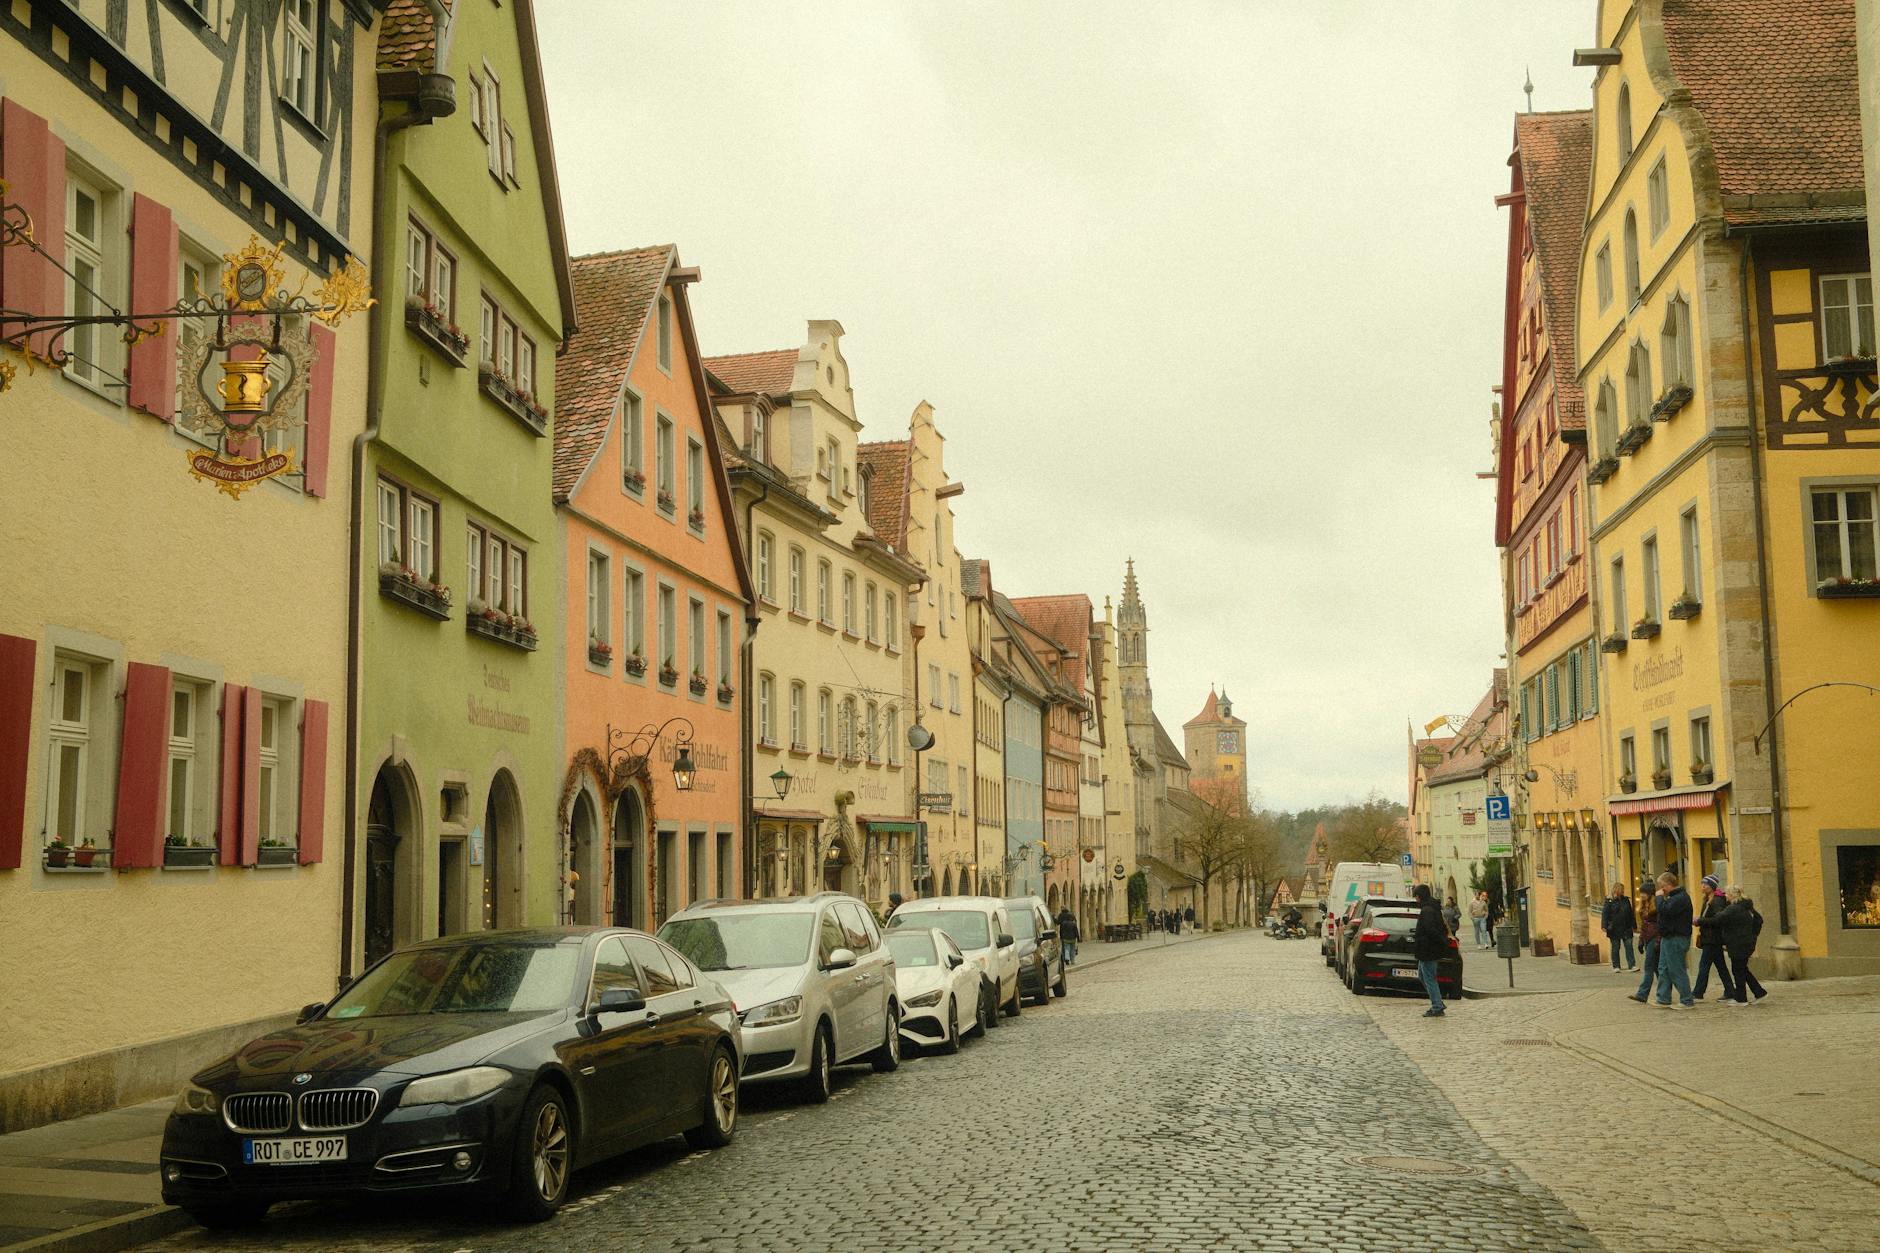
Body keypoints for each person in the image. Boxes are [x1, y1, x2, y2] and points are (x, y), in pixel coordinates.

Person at [1702, 885, 1768, 1006]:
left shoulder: (1733, 908)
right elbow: (1759, 920)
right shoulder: (1747, 907)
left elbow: (1717, 919)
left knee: (1738, 970)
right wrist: (1753, 935)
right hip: (1745, 942)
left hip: (1737, 943)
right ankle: (1759, 992)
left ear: (1732, 895)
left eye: (1727, 894)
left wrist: (1699, 920)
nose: (1725, 896)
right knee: (1742, 969)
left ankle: (1741, 998)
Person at [1652, 871, 1696, 1008]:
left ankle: (1686, 1000)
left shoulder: (1680, 898)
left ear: (1669, 884)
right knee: (1663, 968)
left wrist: (1659, 898)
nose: (1661, 889)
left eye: (1662, 886)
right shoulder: (1673, 897)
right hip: (1668, 937)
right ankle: (1663, 998)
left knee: (1676, 969)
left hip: (1677, 937)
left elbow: (1665, 910)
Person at [1691, 875, 1737, 1003]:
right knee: (1721, 966)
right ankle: (1730, 991)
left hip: (1712, 939)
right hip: (1710, 938)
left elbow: (1718, 920)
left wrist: (1700, 921)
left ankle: (1698, 993)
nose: (1702, 886)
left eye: (1705, 884)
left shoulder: (1717, 900)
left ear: (1711, 886)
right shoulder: (1708, 899)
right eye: (1702, 884)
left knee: (1704, 966)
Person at [1410, 883, 1447, 1018]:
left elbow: (1430, 930)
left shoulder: (1427, 910)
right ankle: (1438, 1002)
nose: (1416, 899)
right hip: (1427, 950)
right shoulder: (1432, 908)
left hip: (1428, 950)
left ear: (1420, 896)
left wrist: (1423, 939)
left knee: (1429, 978)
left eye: (1416, 897)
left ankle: (1437, 1006)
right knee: (1422, 975)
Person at [1628, 890, 1661, 1003]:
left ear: (1650, 894)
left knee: (1648, 967)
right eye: (1641, 892)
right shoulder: (1642, 906)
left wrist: (1658, 941)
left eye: (1644, 893)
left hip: (1654, 938)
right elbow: (1643, 926)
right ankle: (1664, 992)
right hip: (1648, 939)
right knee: (1656, 968)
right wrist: (1641, 941)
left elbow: (1661, 925)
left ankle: (1642, 994)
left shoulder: (1656, 906)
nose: (1641, 895)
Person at [1601, 883, 1638, 972]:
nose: (1622, 891)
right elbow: (1605, 914)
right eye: (1621, 889)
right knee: (1615, 947)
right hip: (1614, 928)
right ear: (1616, 890)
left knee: (1629, 946)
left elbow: (1630, 913)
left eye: (1622, 889)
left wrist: (1634, 925)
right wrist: (1604, 925)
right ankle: (1616, 966)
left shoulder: (1626, 900)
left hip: (1626, 927)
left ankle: (1632, 965)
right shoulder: (1609, 901)